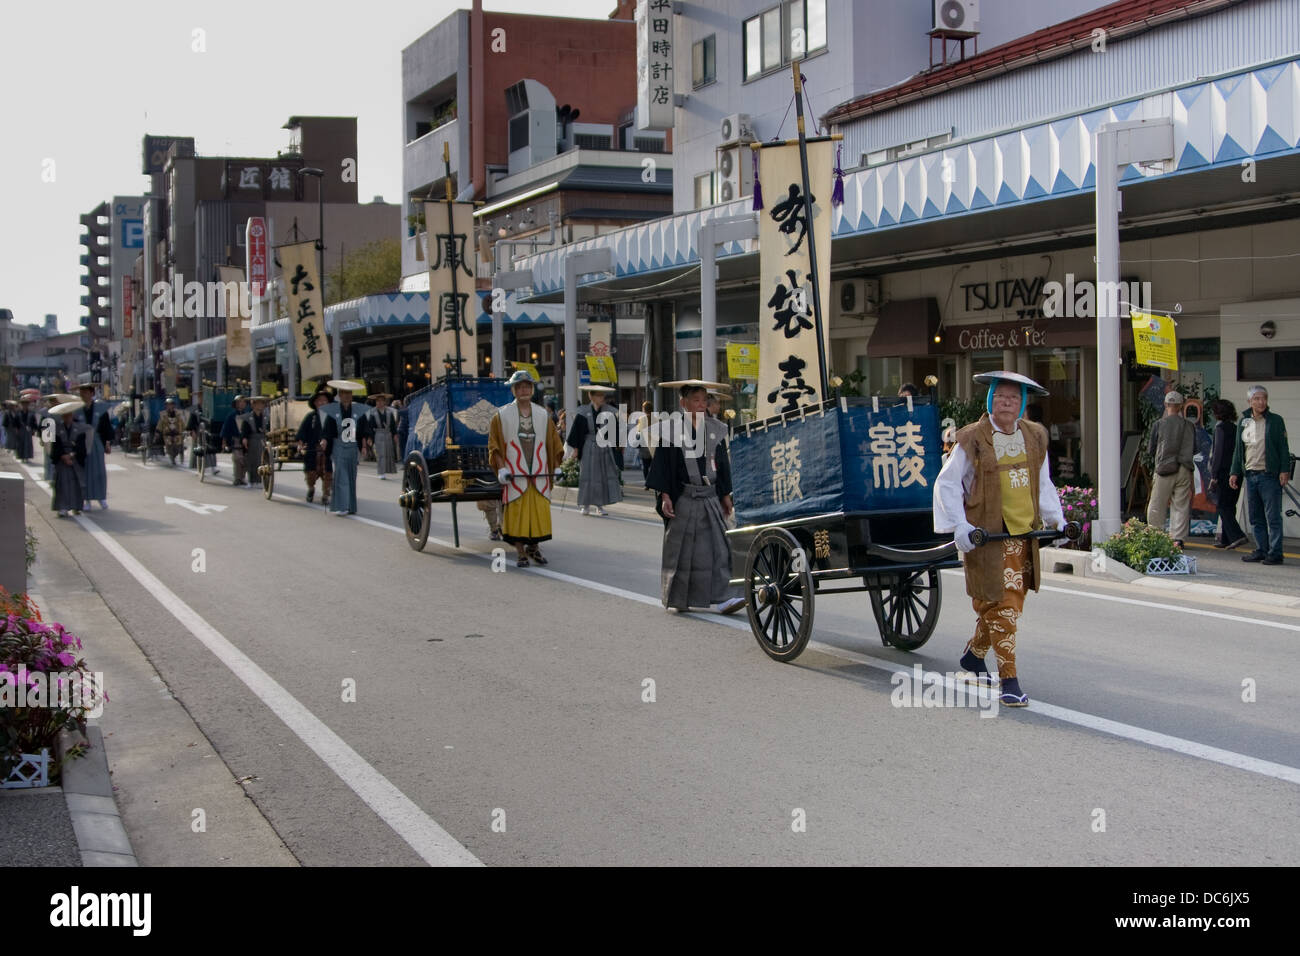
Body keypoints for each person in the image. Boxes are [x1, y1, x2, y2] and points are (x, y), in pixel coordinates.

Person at [933, 371, 1066, 708]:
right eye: (1001, 396)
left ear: (1022, 403)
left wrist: (1056, 518)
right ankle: (1009, 681)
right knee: (1004, 608)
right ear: (990, 400)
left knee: (1005, 604)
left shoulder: (1034, 436)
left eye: (1014, 397)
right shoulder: (971, 438)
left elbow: (1043, 481)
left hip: (1024, 534)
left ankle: (974, 655)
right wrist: (959, 525)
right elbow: (946, 484)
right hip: (987, 536)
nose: (1008, 402)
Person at [645, 380, 744, 615]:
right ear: (684, 403)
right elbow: (663, 466)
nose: (701, 405)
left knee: (721, 548)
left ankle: (725, 597)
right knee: (683, 552)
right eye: (695, 401)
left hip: (710, 496)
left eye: (704, 401)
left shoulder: (715, 429)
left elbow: (722, 464)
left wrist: (725, 494)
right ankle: (679, 597)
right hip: (685, 497)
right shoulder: (671, 431)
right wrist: (665, 495)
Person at [488, 370, 565, 566]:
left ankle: (534, 547)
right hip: (515, 472)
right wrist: (502, 468)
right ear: (513, 390)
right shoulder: (501, 415)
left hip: (539, 472)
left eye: (527, 386)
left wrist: (556, 466)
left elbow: (554, 444)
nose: (524, 390)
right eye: (520, 387)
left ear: (532, 389)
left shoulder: (543, 415)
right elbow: (495, 445)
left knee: (538, 512)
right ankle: (521, 552)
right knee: (517, 514)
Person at [1230, 385, 1291, 565]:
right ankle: (1261, 550)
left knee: (1273, 516)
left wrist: (1284, 470)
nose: (1261, 402)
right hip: (1250, 475)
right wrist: (1234, 472)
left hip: (1269, 475)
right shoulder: (1244, 422)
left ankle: (1276, 553)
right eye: (1256, 399)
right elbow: (1239, 450)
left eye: (1263, 398)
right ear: (1249, 401)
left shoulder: (1275, 421)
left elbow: (1283, 448)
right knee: (1255, 517)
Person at [1145, 390, 1196, 547]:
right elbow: (1194, 448)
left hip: (1164, 468)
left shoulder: (1159, 424)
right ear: (1181, 406)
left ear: (1166, 405)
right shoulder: (1189, 425)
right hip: (1184, 468)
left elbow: (1150, 449)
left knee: (1157, 503)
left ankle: (1155, 534)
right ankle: (1178, 538)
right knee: (1180, 505)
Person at [566, 384, 623, 516]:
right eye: (598, 395)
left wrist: (617, 444)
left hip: (604, 445)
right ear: (591, 396)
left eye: (602, 395)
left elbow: (614, 430)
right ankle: (585, 505)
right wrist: (575, 450)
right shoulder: (582, 412)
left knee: (602, 476)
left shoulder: (609, 411)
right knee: (586, 475)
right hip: (588, 445)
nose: (601, 398)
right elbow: (577, 432)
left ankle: (600, 505)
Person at [321, 381, 372, 516]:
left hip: (353, 446)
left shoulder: (358, 411)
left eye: (349, 393)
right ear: (339, 395)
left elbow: (363, 430)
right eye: (344, 393)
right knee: (341, 475)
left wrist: (365, 444)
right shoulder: (333, 411)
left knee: (351, 476)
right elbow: (328, 430)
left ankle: (350, 506)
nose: (347, 396)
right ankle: (342, 505)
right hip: (339, 446)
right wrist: (325, 440)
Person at [1209, 399, 1247, 550]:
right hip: (1237, 471)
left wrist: (1214, 474)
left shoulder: (1220, 429)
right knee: (1230, 504)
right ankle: (1225, 538)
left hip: (1224, 472)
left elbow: (1218, 453)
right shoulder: (1236, 428)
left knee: (1222, 505)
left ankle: (1237, 535)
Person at [75, 384, 114, 509]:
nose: (83, 395)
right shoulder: (76, 410)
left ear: (92, 393)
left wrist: (107, 443)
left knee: (99, 471)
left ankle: (101, 497)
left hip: (96, 441)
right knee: (84, 471)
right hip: (82, 442)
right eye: (81, 392)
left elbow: (106, 427)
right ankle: (86, 499)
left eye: (86, 392)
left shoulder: (100, 409)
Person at [49, 401, 89, 516]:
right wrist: (63, 456)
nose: (67, 418)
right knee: (62, 484)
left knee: (77, 483)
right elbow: (55, 446)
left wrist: (72, 455)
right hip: (62, 459)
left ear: (72, 415)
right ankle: (63, 507)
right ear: (62, 416)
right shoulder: (57, 429)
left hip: (75, 458)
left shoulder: (80, 428)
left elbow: (82, 446)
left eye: (69, 415)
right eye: (65, 415)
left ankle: (77, 506)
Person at [296, 385, 333, 505]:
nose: (322, 403)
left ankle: (326, 494)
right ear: (315, 403)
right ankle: (311, 488)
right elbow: (302, 432)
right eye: (319, 400)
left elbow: (335, 432)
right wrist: (300, 443)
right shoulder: (310, 417)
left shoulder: (332, 417)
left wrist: (327, 440)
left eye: (324, 400)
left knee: (327, 473)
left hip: (327, 450)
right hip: (312, 449)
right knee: (310, 472)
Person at [239, 395, 270, 487]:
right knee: (252, 461)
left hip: (263, 439)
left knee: (263, 461)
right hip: (252, 439)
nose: (260, 406)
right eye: (258, 404)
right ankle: (252, 481)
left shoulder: (266, 417)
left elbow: (269, 429)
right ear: (253, 405)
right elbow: (244, 429)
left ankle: (262, 481)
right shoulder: (248, 417)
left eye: (262, 404)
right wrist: (244, 438)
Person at [369, 394, 399, 479]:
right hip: (378, 434)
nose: (379, 403)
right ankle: (381, 472)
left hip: (388, 434)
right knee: (380, 454)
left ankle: (388, 470)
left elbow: (393, 425)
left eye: (381, 401)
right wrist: (370, 437)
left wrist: (395, 434)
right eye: (378, 401)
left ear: (385, 402)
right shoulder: (373, 412)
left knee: (389, 453)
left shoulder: (389, 412)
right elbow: (370, 426)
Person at [223, 395, 250, 485]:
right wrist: (224, 442)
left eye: (243, 402)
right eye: (239, 402)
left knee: (246, 460)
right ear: (236, 404)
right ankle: (237, 478)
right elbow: (226, 429)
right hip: (236, 440)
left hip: (246, 440)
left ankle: (242, 477)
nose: (242, 404)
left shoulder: (248, 415)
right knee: (238, 459)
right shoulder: (231, 416)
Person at [156, 398, 186, 466]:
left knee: (178, 446)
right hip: (167, 434)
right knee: (169, 446)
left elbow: (182, 423)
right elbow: (160, 424)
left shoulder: (178, 414)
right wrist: (158, 432)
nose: (170, 406)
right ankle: (172, 458)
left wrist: (184, 430)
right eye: (168, 405)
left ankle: (176, 455)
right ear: (166, 406)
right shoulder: (163, 414)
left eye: (171, 404)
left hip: (177, 433)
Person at [636, 400, 655, 485]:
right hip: (654, 446)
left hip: (644, 446)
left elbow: (638, 432)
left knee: (645, 466)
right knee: (653, 466)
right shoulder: (657, 419)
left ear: (644, 409)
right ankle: (653, 482)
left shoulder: (641, 420)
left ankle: (647, 483)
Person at [11, 397, 36, 462]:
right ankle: (21, 457)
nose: (25, 405)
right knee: (21, 444)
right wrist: (16, 430)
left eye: (26, 404)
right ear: (21, 405)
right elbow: (15, 422)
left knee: (28, 444)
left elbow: (34, 422)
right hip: (20, 430)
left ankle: (27, 457)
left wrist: (33, 429)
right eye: (23, 404)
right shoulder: (18, 413)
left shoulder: (31, 413)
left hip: (28, 430)